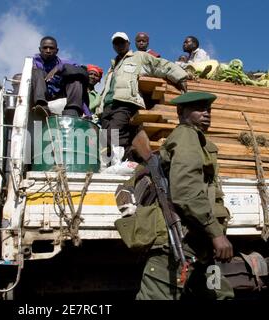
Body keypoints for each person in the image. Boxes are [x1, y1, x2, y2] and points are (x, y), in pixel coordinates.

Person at [135, 92, 234, 300]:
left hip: (197, 242)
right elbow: (186, 192)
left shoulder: (196, 139)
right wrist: (216, 233)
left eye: (209, 109)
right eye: (199, 108)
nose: (206, 113)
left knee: (217, 294)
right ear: (181, 112)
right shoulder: (186, 135)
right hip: (180, 240)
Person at [100, 31, 187, 162]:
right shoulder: (112, 66)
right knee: (105, 138)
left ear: (128, 44)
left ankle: (118, 164)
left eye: (122, 42)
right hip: (107, 107)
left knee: (115, 134)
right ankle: (121, 164)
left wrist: (180, 77)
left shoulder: (138, 57)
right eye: (116, 43)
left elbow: (159, 65)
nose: (119, 45)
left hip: (124, 103)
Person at [31, 36, 90, 117]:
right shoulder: (32, 63)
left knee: (75, 77)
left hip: (62, 94)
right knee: (37, 72)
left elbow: (84, 72)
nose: (48, 51)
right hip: (42, 95)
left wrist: (59, 68)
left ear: (56, 50)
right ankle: (41, 106)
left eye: (51, 48)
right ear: (40, 49)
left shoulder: (63, 62)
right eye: (45, 48)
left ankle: (73, 109)